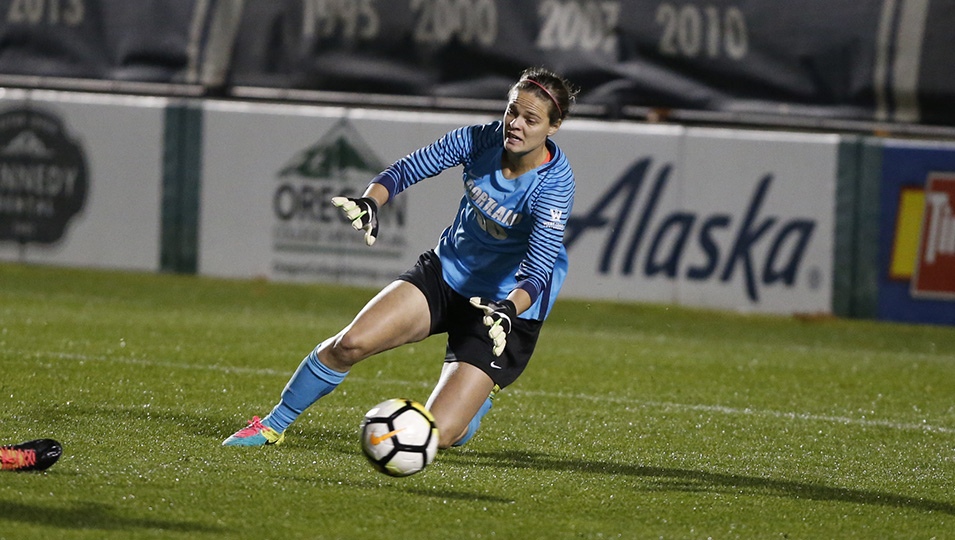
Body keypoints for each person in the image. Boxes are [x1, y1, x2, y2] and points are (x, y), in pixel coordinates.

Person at [223, 67, 577, 450]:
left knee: (437, 434)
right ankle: (271, 425)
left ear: (553, 127)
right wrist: (371, 200)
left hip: (503, 308)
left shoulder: (554, 185)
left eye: (530, 119)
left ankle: (471, 409)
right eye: (512, 111)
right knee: (350, 343)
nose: (515, 124)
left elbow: (539, 269)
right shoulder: (482, 139)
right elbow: (411, 166)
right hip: (446, 273)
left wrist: (509, 308)